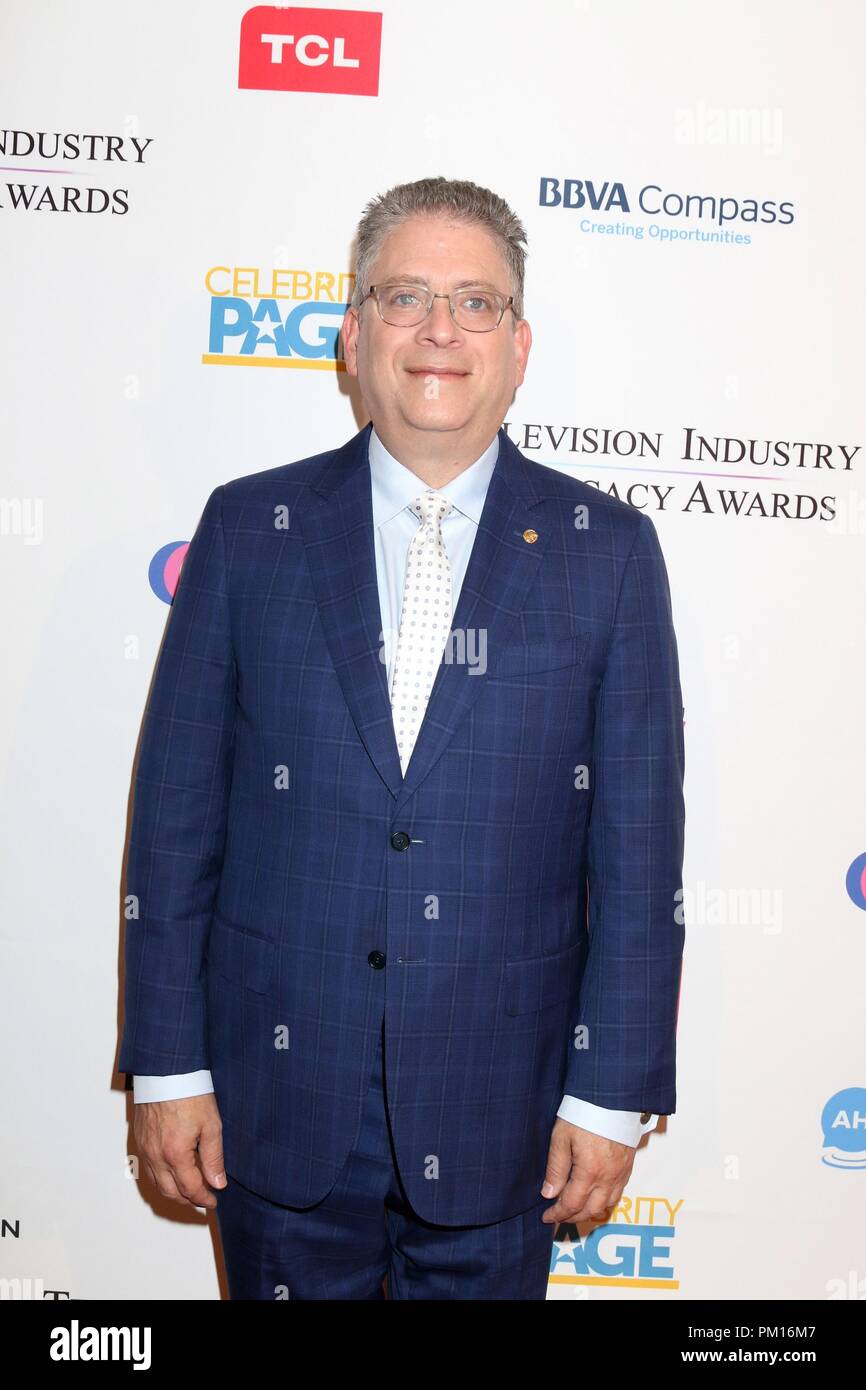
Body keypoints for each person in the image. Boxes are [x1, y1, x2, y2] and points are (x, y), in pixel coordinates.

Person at [118, 176, 686, 1300]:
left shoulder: (607, 551)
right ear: (351, 334)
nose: (439, 331)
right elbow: (177, 820)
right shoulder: (250, 528)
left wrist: (612, 1090)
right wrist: (168, 1066)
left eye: (476, 303)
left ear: (518, 347)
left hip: (509, 1118)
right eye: (404, 297)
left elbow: (636, 855)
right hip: (273, 1102)